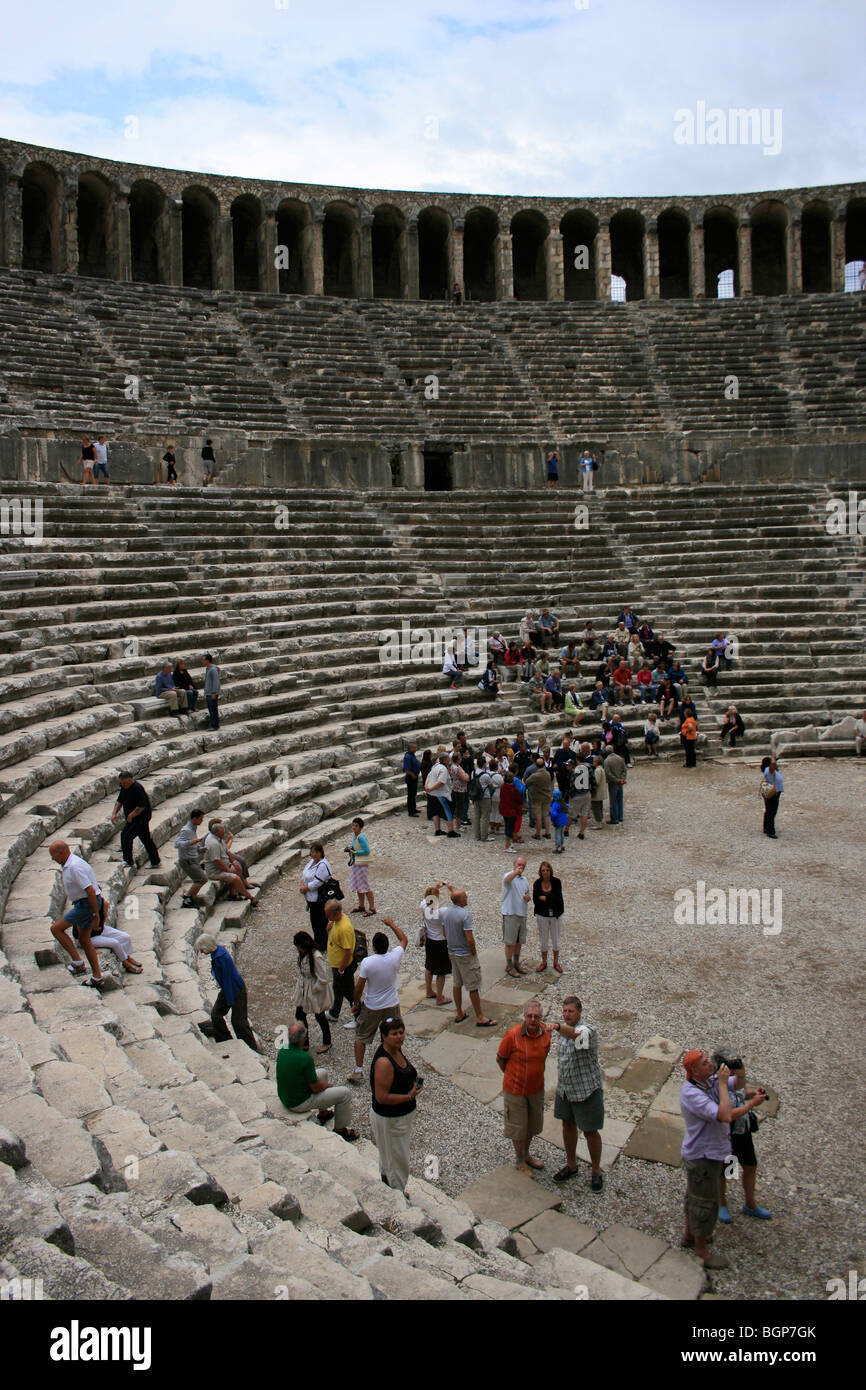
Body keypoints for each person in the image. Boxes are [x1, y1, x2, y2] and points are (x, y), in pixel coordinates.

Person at [679, 1049, 766, 1269]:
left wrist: (741, 1071)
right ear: (695, 1071)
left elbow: (738, 1085)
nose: (710, 1065)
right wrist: (749, 1105)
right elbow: (725, 1114)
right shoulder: (692, 1093)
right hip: (703, 1154)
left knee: (695, 1196)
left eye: (709, 1061)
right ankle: (701, 1250)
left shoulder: (709, 1080)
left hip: (714, 1149)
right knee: (705, 1203)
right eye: (705, 1063)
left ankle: (690, 1235)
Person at [48, 841, 139, 987]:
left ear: (62, 852)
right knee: (85, 940)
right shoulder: (74, 863)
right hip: (84, 903)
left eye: (53, 855)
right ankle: (95, 976)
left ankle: (79, 964)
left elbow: (90, 890)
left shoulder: (73, 867)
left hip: (85, 905)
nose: (53, 859)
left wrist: (95, 914)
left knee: (56, 929)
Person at [551, 996, 605, 1190]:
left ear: (579, 1012)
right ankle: (571, 1165)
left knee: (590, 1131)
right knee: (567, 1125)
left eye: (570, 1011)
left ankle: (596, 1170)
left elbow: (575, 1035)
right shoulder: (563, 1031)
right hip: (565, 1089)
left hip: (586, 1091)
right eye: (564, 1011)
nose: (567, 1015)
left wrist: (557, 1026)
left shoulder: (587, 1031)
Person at [348, 916, 408, 1085]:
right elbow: (403, 939)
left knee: (361, 1036)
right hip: (391, 1004)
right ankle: (396, 1065)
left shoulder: (368, 962)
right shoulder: (394, 957)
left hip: (373, 1005)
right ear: (387, 946)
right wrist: (391, 924)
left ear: (373, 947)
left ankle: (358, 1070)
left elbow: (359, 986)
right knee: (395, 1034)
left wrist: (356, 1003)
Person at [714, 1050, 772, 1223]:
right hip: (727, 1134)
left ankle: (750, 1203)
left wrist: (753, 1093)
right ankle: (722, 1202)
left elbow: (741, 1090)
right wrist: (752, 1105)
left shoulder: (732, 1082)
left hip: (742, 1131)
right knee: (726, 1170)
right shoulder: (718, 1086)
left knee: (750, 1165)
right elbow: (728, 1114)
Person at [276, 1020, 357, 1140]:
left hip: (285, 1096)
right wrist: (329, 1086)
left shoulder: (283, 1049)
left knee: (322, 1072)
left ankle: (323, 1113)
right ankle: (340, 1130)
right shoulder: (305, 1058)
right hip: (298, 1103)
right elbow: (316, 1087)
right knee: (345, 1093)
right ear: (303, 1038)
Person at [497, 999, 552, 1174]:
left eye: (536, 1016)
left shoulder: (546, 1034)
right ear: (524, 1017)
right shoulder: (512, 1036)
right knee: (518, 1127)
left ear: (541, 1017)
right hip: (515, 1091)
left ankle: (526, 1154)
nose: (533, 1019)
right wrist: (512, 1075)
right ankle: (519, 1160)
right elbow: (501, 1058)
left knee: (532, 1125)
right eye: (529, 1016)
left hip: (536, 1089)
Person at [370, 1017, 421, 1192]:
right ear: (384, 1036)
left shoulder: (396, 1051)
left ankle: (389, 1186)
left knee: (391, 1156)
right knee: (397, 1161)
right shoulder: (384, 1062)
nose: (399, 1037)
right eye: (394, 1034)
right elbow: (382, 1097)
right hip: (391, 1119)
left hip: (400, 1118)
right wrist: (408, 1096)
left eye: (401, 1032)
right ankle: (397, 1194)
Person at [196, 933, 260, 1052]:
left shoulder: (221, 958)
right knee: (216, 1014)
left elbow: (228, 980)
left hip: (235, 990)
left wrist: (230, 1000)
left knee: (239, 1022)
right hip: (227, 990)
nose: (201, 952)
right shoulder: (218, 953)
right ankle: (225, 1040)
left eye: (202, 949)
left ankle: (251, 1048)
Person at [442, 885, 495, 1026]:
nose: (467, 898)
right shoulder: (465, 915)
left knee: (457, 983)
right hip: (465, 954)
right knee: (473, 985)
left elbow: (444, 932)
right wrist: (474, 951)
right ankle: (480, 1016)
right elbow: (469, 938)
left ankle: (459, 1012)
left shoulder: (446, 912)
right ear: (460, 900)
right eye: (465, 897)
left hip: (452, 952)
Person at [292, 930, 334, 1055]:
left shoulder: (316, 957)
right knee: (300, 1014)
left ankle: (327, 1041)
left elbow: (323, 978)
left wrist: (315, 989)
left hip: (314, 990)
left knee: (319, 1016)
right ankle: (304, 1041)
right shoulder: (304, 955)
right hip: (305, 988)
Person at [112, 772, 161, 868]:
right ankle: (155, 861)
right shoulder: (124, 788)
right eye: (121, 783)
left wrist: (131, 816)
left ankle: (128, 860)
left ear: (130, 780)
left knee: (126, 835)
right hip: (134, 818)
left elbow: (141, 806)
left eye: (125, 783)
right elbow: (119, 800)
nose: (123, 785)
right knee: (146, 838)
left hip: (140, 818)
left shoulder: (137, 788)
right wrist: (114, 813)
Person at [325, 899, 358, 1029]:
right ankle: (334, 1012)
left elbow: (348, 951)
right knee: (337, 989)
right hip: (337, 965)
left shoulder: (343, 928)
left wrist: (341, 969)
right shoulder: (336, 921)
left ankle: (359, 1016)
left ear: (336, 913)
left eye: (328, 915)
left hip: (343, 967)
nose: (327, 917)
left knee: (350, 992)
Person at [204, 820, 255, 902]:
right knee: (235, 877)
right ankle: (250, 897)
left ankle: (234, 893)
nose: (224, 833)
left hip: (224, 865)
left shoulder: (219, 840)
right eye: (222, 831)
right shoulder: (213, 843)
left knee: (238, 867)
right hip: (215, 872)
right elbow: (217, 861)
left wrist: (234, 863)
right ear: (216, 832)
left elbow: (227, 851)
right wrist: (228, 870)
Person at [420, 882, 451, 1005]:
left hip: (430, 941)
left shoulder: (423, 906)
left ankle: (428, 990)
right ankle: (439, 998)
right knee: (441, 972)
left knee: (429, 966)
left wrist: (435, 888)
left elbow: (426, 898)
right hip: (440, 942)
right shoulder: (442, 912)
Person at [299, 842, 333, 951]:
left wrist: (305, 888)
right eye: (312, 852)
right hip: (311, 898)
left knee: (320, 922)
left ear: (320, 852)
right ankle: (319, 942)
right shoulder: (311, 862)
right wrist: (302, 884)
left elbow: (318, 881)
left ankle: (322, 945)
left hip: (318, 899)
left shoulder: (323, 864)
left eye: (316, 852)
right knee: (315, 922)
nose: (314, 854)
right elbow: (305, 874)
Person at [502, 856, 531, 977]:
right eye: (519, 864)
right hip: (511, 913)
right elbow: (507, 881)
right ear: (514, 865)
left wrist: (528, 898)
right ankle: (509, 965)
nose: (521, 867)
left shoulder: (524, 880)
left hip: (522, 913)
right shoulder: (508, 875)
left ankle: (516, 962)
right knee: (510, 942)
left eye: (523, 865)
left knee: (519, 941)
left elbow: (527, 894)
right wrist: (515, 873)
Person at [533, 860, 564, 972]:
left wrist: (545, 898)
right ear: (540, 872)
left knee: (556, 939)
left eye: (547, 870)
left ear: (550, 871)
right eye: (543, 870)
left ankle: (556, 962)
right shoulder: (537, 883)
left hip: (556, 914)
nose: (545, 872)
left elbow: (558, 899)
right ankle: (544, 961)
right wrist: (551, 899)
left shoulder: (557, 882)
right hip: (542, 915)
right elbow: (536, 900)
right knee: (543, 939)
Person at [175, 808, 207, 906]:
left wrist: (199, 849)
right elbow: (177, 844)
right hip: (187, 860)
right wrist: (191, 842)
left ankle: (190, 897)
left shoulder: (193, 828)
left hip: (192, 859)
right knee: (202, 879)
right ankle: (188, 899)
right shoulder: (186, 830)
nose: (202, 821)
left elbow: (192, 843)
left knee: (200, 879)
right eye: (200, 819)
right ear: (195, 818)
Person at [425, 749, 459, 837]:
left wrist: (427, 786)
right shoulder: (443, 769)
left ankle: (438, 830)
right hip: (441, 794)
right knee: (448, 811)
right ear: (446, 759)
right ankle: (451, 831)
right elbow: (441, 782)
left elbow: (428, 776)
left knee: (435, 812)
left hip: (432, 794)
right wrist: (431, 788)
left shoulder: (435, 766)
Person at [347, 816, 375, 917]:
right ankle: (361, 905)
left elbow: (367, 850)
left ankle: (372, 908)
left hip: (361, 864)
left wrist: (355, 852)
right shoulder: (355, 836)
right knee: (359, 885)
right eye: (353, 825)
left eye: (356, 826)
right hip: (357, 863)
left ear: (360, 827)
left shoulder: (361, 837)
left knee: (365, 885)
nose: (354, 827)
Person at [525, 757, 553, 839]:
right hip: (546, 797)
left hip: (537, 798)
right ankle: (547, 832)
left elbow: (526, 782)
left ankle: (538, 833)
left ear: (536, 766)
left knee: (538, 817)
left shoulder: (535, 776)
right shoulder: (547, 773)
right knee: (546, 816)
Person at [760, 756, 783, 838]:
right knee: (771, 812)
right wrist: (773, 758)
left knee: (769, 811)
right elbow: (773, 764)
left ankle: (766, 827)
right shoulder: (769, 771)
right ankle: (770, 831)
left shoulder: (769, 771)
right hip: (773, 793)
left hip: (771, 792)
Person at [604, 748, 627, 824]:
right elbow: (624, 770)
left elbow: (608, 773)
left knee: (613, 801)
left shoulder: (607, 761)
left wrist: (617, 780)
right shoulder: (620, 758)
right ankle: (620, 816)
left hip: (613, 783)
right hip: (620, 782)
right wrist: (622, 779)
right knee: (619, 799)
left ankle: (614, 818)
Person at [402, 742, 421, 816]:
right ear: (411, 748)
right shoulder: (407, 757)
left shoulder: (412, 755)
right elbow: (407, 769)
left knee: (413, 793)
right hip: (411, 778)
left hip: (414, 777)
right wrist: (413, 775)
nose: (416, 749)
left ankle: (414, 808)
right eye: (414, 748)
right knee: (411, 794)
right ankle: (411, 811)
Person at [202, 653, 220, 729]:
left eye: (203, 660)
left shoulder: (212, 670)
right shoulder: (209, 669)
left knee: (213, 710)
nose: (202, 661)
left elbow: (216, 681)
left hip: (211, 693)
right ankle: (214, 724)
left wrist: (214, 692)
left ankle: (214, 725)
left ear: (207, 661)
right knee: (212, 709)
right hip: (209, 692)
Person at [589, 753, 605, 828]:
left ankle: (598, 822)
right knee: (599, 806)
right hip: (600, 792)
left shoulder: (597, 770)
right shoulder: (601, 769)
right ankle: (599, 820)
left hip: (597, 793)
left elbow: (596, 782)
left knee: (596, 807)